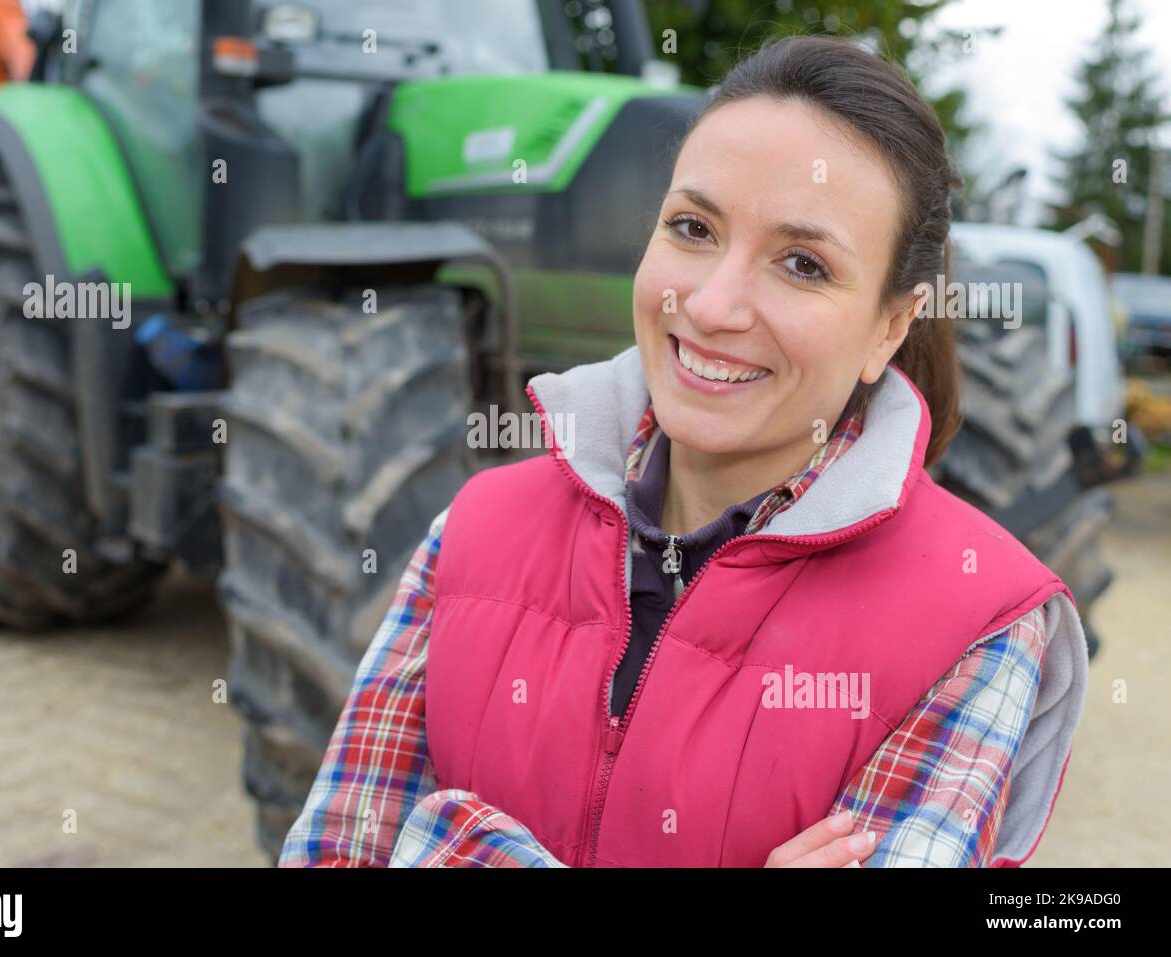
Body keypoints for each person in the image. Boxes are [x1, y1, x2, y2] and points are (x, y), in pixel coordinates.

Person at [280, 35, 1088, 868]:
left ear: (889, 326)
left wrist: (451, 843)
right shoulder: (472, 529)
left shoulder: (979, 625)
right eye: (693, 227)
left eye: (803, 263)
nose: (711, 303)